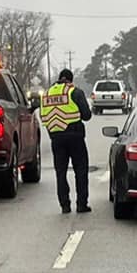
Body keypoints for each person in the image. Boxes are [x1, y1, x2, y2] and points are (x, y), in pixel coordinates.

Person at [38, 67, 93, 214]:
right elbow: (87, 115)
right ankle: (81, 204)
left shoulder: (46, 94)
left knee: (60, 172)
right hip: (75, 137)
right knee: (81, 170)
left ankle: (65, 206)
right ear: (70, 80)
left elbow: (43, 117)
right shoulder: (74, 92)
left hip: (56, 138)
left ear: (59, 78)